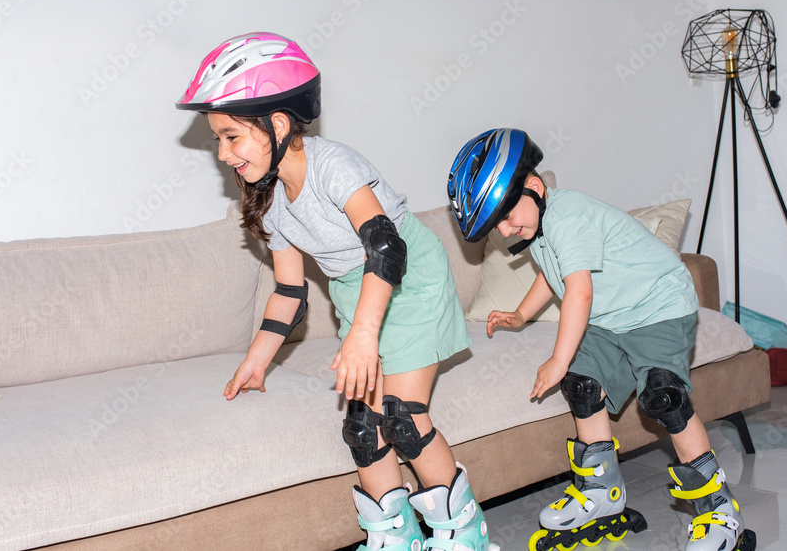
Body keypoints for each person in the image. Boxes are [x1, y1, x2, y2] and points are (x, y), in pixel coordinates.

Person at [175, 32, 497, 551]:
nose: (222, 153)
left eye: (230, 136)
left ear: (277, 124)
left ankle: (465, 534)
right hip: (356, 290)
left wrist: (364, 334)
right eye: (217, 139)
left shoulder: (333, 166)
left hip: (409, 278)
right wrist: (258, 360)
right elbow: (289, 290)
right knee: (363, 429)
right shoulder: (270, 198)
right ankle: (397, 539)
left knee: (404, 418)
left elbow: (387, 248)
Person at [446, 128, 756, 551]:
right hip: (613, 319)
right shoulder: (538, 225)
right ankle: (601, 493)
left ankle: (720, 512)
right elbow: (551, 275)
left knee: (665, 397)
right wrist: (521, 314)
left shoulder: (570, 215)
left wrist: (557, 359)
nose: (504, 230)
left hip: (658, 305)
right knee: (584, 387)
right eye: (495, 225)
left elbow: (580, 291)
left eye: (504, 214)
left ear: (534, 186)